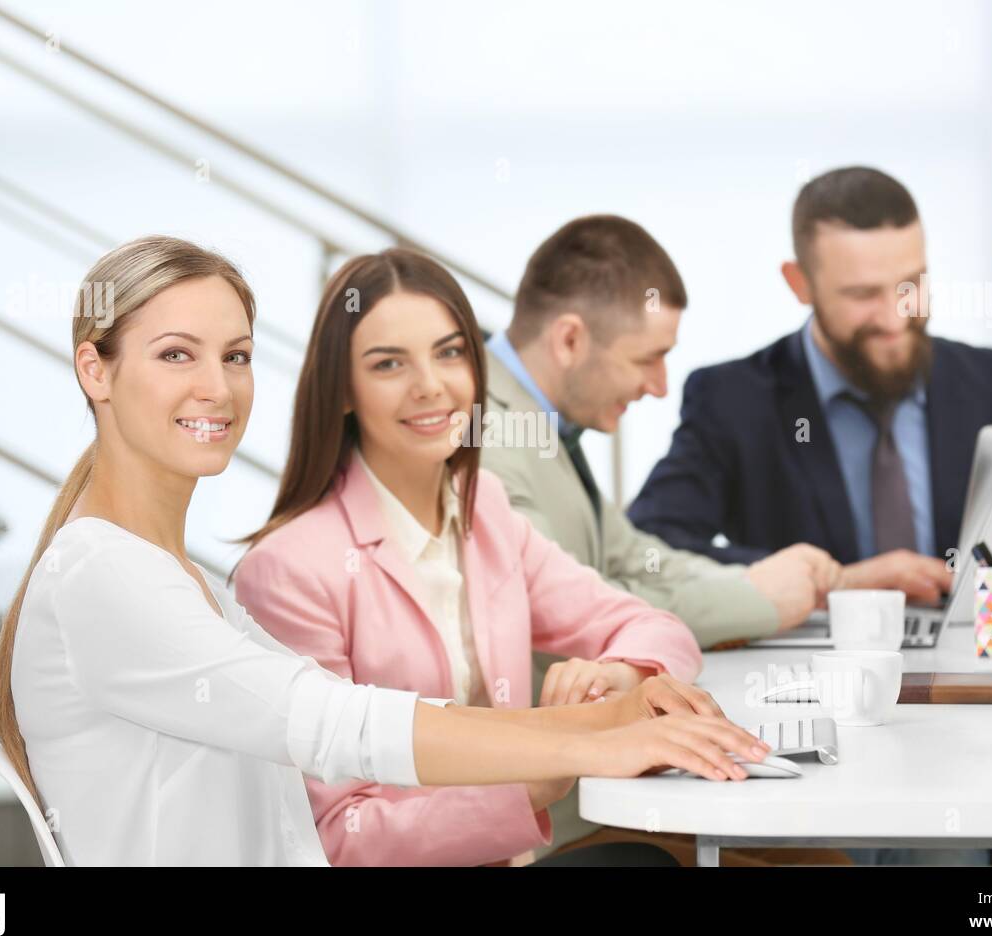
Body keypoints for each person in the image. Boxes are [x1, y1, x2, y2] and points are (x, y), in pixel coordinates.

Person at [0, 235, 772, 867]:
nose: (218, 389)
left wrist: (615, 715)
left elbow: (339, 727)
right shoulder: (102, 577)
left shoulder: (182, 581)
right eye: (176, 355)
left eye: (237, 355)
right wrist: (590, 742)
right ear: (96, 370)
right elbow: (333, 723)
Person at [234, 248, 709, 867]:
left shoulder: (483, 511)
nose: (430, 384)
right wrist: (545, 770)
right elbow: (334, 836)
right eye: (388, 364)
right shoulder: (290, 570)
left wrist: (620, 674)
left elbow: (657, 628)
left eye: (450, 352)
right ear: (343, 392)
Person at [478, 214, 849, 862]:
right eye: (648, 358)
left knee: (820, 856)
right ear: (570, 338)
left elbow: (630, 558)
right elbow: (580, 606)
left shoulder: (542, 424)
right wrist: (759, 600)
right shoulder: (492, 441)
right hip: (559, 818)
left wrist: (758, 582)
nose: (659, 386)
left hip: (598, 783)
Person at [628, 167, 992, 606]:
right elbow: (650, 550)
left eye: (912, 285)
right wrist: (837, 583)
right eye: (863, 295)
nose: (894, 317)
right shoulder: (734, 400)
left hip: (977, 660)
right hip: (806, 670)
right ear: (800, 283)